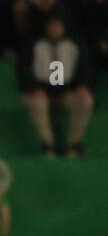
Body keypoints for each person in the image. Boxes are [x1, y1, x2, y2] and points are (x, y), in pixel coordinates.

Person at [20, 14, 94, 158]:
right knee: (37, 103)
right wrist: (33, 88)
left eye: (58, 26)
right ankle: (47, 145)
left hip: (66, 90)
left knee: (86, 101)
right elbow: (23, 69)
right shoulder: (35, 45)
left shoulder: (74, 45)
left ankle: (75, 144)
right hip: (40, 90)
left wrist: (83, 86)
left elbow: (86, 68)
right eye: (52, 26)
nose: (55, 30)